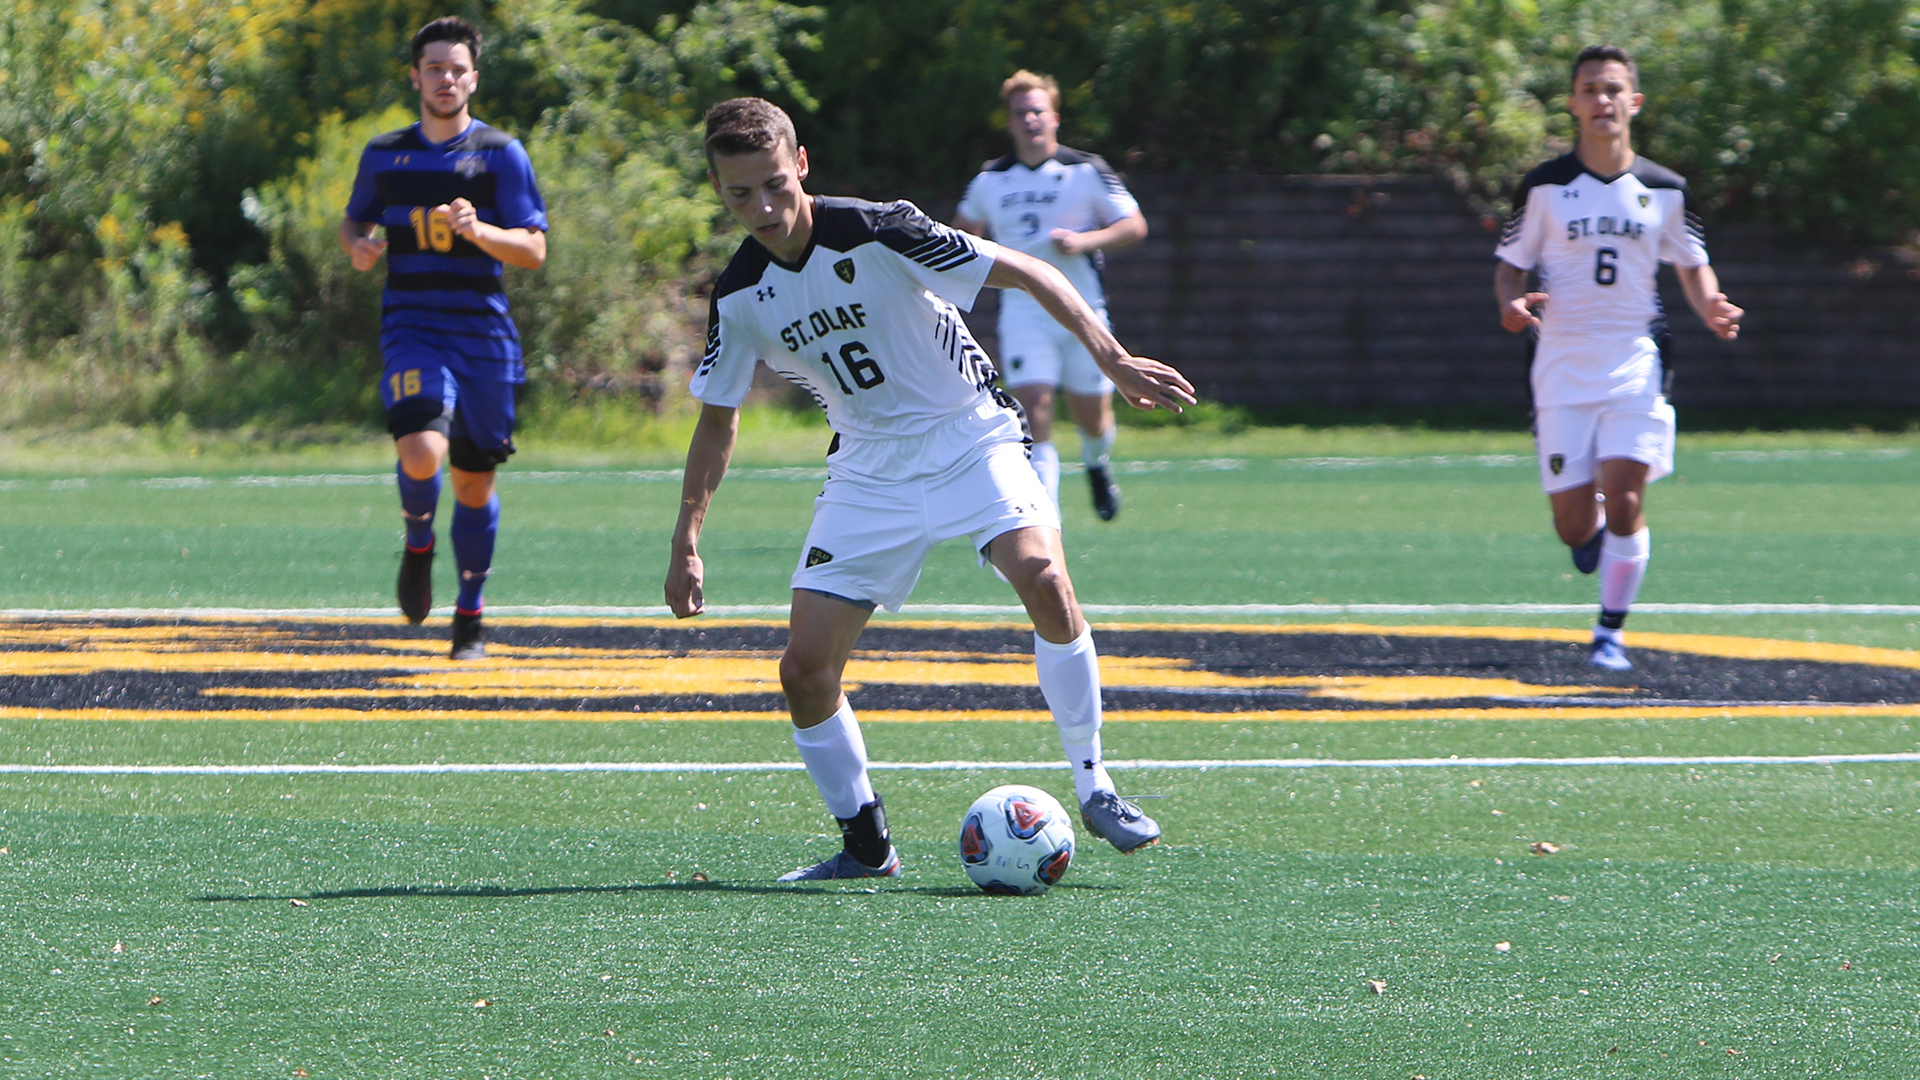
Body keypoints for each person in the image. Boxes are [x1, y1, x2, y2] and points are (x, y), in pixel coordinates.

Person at [667, 97, 1195, 880]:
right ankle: (866, 846)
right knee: (803, 671)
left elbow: (1031, 270)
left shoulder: (881, 228)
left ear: (801, 165)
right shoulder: (740, 293)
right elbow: (718, 420)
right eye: (741, 194)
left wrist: (1111, 358)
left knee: (1044, 575)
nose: (765, 208)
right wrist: (686, 540)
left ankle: (1096, 784)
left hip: (970, 433)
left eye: (776, 184)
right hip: (869, 469)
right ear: (718, 189)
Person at [1495, 44, 1742, 671]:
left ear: (1632, 101)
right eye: (1589, 90)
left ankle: (1610, 633)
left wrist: (1711, 304)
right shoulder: (1546, 186)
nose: (1601, 100)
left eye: (1612, 89)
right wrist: (1510, 304)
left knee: (1627, 495)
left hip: (1635, 357)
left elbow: (1692, 265)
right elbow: (1510, 265)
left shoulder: (1664, 188)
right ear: (1574, 104)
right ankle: (1593, 524)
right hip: (1560, 365)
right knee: (1574, 528)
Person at [340, 16, 548, 659]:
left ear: (473, 79)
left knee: (473, 485)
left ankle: (469, 614)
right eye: (434, 68)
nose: (445, 79)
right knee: (422, 453)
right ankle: (418, 541)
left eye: (457, 69)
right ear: (415, 77)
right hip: (414, 326)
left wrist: (480, 230)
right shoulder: (385, 154)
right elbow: (354, 222)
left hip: (483, 337)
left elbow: (534, 250)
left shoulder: (500, 154)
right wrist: (360, 248)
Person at [954, 71, 1148, 522]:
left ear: (1054, 117)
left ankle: (1097, 464)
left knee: (1092, 417)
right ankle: (1045, 519)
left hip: (1082, 310)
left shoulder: (1085, 169)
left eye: (1038, 111)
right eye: (1021, 113)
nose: (1030, 120)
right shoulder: (990, 179)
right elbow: (962, 234)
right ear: (1010, 122)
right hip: (1024, 311)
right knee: (1034, 410)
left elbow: (1134, 225)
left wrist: (1084, 241)